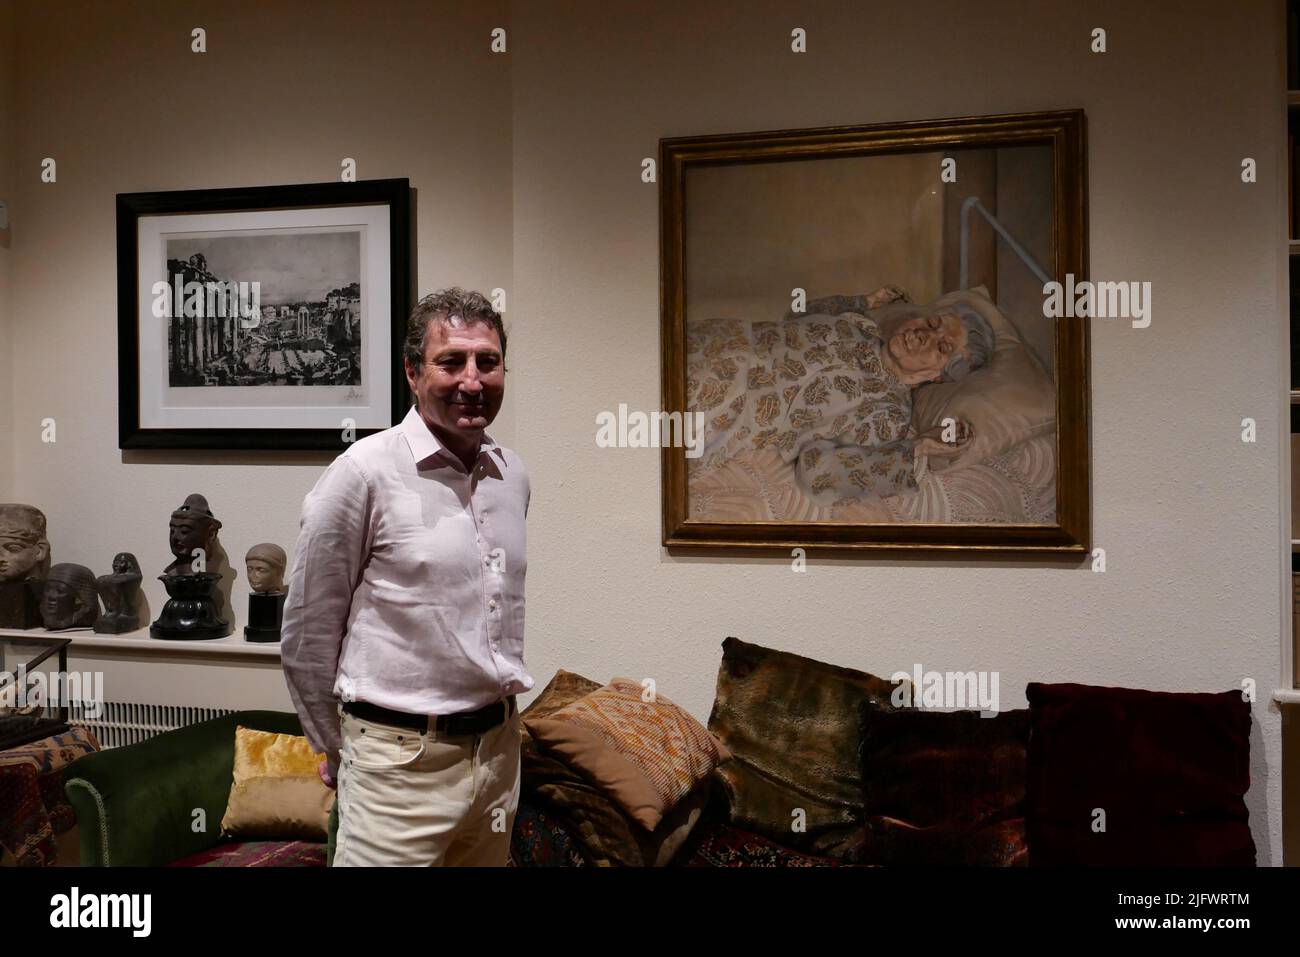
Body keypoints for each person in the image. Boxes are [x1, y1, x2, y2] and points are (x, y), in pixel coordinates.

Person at [281, 287, 532, 867]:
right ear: (413, 373)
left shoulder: (511, 474)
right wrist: (339, 747)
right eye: (451, 362)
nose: (473, 380)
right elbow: (307, 631)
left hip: (497, 756)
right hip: (396, 765)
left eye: (487, 362)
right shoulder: (362, 474)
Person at [686, 290, 994, 505]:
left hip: (718, 401)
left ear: (940, 375)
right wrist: (864, 300)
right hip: (710, 337)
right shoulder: (860, 324)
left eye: (941, 347)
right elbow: (796, 313)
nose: (923, 334)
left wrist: (918, 447)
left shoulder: (887, 413)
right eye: (931, 323)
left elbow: (817, 473)